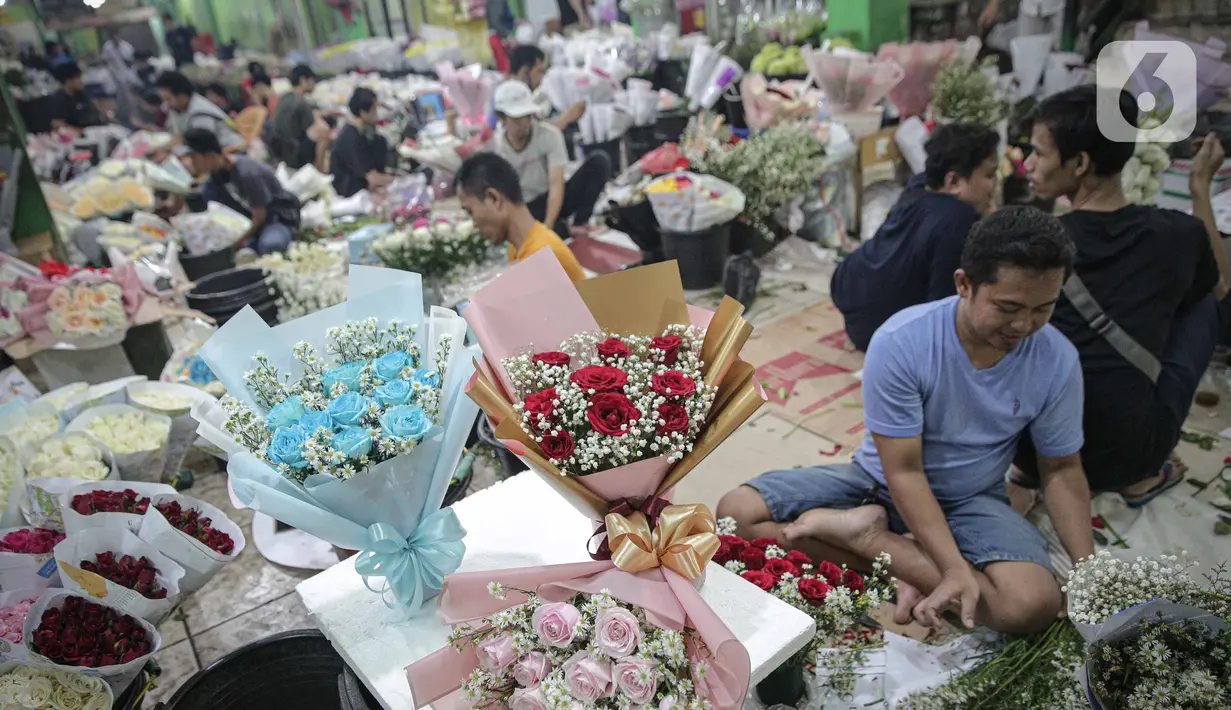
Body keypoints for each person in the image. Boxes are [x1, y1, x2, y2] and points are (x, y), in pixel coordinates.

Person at [718, 207, 1095, 635]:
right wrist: (952, 568)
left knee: (1032, 606)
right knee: (736, 514)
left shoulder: (1056, 359)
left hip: (971, 497)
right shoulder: (903, 342)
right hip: (878, 482)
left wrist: (1088, 571)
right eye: (1008, 307)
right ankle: (898, 555)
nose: (1025, 324)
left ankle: (869, 542)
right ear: (964, 284)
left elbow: (1061, 469)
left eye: (1044, 308)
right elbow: (904, 471)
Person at [1018, 85, 1228, 504]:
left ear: (1080, 163)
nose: (1028, 163)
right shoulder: (1176, 234)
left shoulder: (1030, 241)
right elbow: (1221, 285)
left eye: (1038, 153)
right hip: (1128, 456)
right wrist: (1199, 187)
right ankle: (1144, 477)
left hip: (1031, 450)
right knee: (1204, 300)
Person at [831, 123, 1001, 351]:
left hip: (852, 293)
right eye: (990, 175)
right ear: (953, 181)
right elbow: (944, 305)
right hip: (882, 330)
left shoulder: (919, 185)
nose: (995, 185)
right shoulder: (957, 218)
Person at [491, 80, 609, 238]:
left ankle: (578, 223)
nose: (524, 123)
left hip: (553, 199)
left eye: (527, 116)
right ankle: (563, 230)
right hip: (525, 208)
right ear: (502, 118)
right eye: (517, 119)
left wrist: (548, 226)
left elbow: (556, 184)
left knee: (599, 161)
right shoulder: (495, 148)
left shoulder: (549, 134)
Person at [456, 152, 586, 281]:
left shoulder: (540, 257)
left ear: (494, 198)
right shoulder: (519, 247)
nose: (474, 224)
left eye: (470, 211)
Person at [183, 128, 300, 255]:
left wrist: (237, 242)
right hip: (247, 223)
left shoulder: (247, 174)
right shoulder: (212, 184)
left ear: (210, 156)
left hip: (273, 219)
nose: (191, 163)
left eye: (194, 158)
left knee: (271, 245)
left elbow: (260, 216)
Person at [155, 71, 244, 150]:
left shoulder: (201, 114)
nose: (165, 104)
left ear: (181, 95)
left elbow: (203, 146)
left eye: (168, 99)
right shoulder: (176, 109)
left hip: (230, 150)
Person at [331, 88, 393, 198]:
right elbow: (372, 177)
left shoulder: (361, 134)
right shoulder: (351, 138)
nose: (377, 113)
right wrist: (398, 181)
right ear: (363, 112)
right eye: (374, 109)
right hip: (349, 190)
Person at [507, 45, 585, 131]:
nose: (542, 78)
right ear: (525, 72)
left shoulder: (526, 95)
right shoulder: (511, 97)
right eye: (539, 71)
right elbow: (529, 132)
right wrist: (565, 119)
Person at [270, 64, 326, 169]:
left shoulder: (283, 97)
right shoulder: (301, 103)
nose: (315, 84)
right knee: (323, 130)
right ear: (303, 80)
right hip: (294, 156)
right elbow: (311, 125)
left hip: (279, 152)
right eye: (313, 80)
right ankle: (320, 169)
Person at [980, 0, 1065, 48]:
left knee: (1059, 55)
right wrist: (993, 4)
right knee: (1025, 51)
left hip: (1061, 8)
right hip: (1030, 9)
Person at [50, 62, 104, 131]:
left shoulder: (83, 93)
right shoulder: (57, 100)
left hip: (97, 129)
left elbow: (95, 111)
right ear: (69, 81)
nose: (81, 81)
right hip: (79, 134)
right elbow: (57, 124)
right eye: (78, 78)